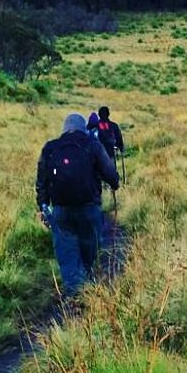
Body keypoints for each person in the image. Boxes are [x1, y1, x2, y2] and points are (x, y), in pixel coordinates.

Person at [35, 113, 119, 297]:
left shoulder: (50, 148)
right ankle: (88, 291)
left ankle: (75, 297)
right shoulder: (92, 145)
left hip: (61, 210)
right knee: (89, 251)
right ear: (83, 128)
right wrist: (115, 184)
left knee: (67, 255)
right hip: (89, 208)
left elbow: (42, 181)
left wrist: (42, 205)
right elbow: (110, 172)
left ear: (64, 128)